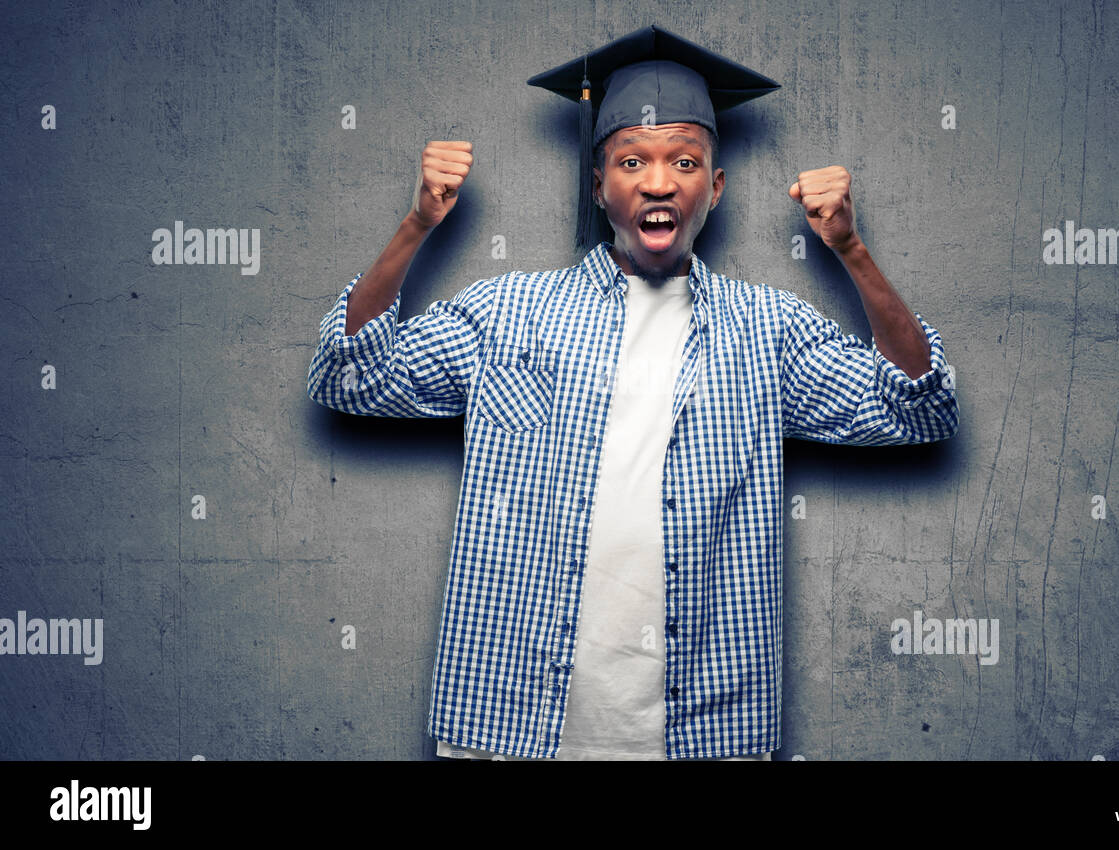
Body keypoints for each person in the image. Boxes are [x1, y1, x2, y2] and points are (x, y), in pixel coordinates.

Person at [306, 25, 959, 761]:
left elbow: (920, 408)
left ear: (714, 188)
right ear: (598, 185)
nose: (657, 182)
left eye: (685, 161)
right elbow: (349, 375)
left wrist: (851, 250)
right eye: (630, 161)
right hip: (513, 720)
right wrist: (417, 224)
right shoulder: (507, 313)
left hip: (705, 728)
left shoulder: (767, 330)